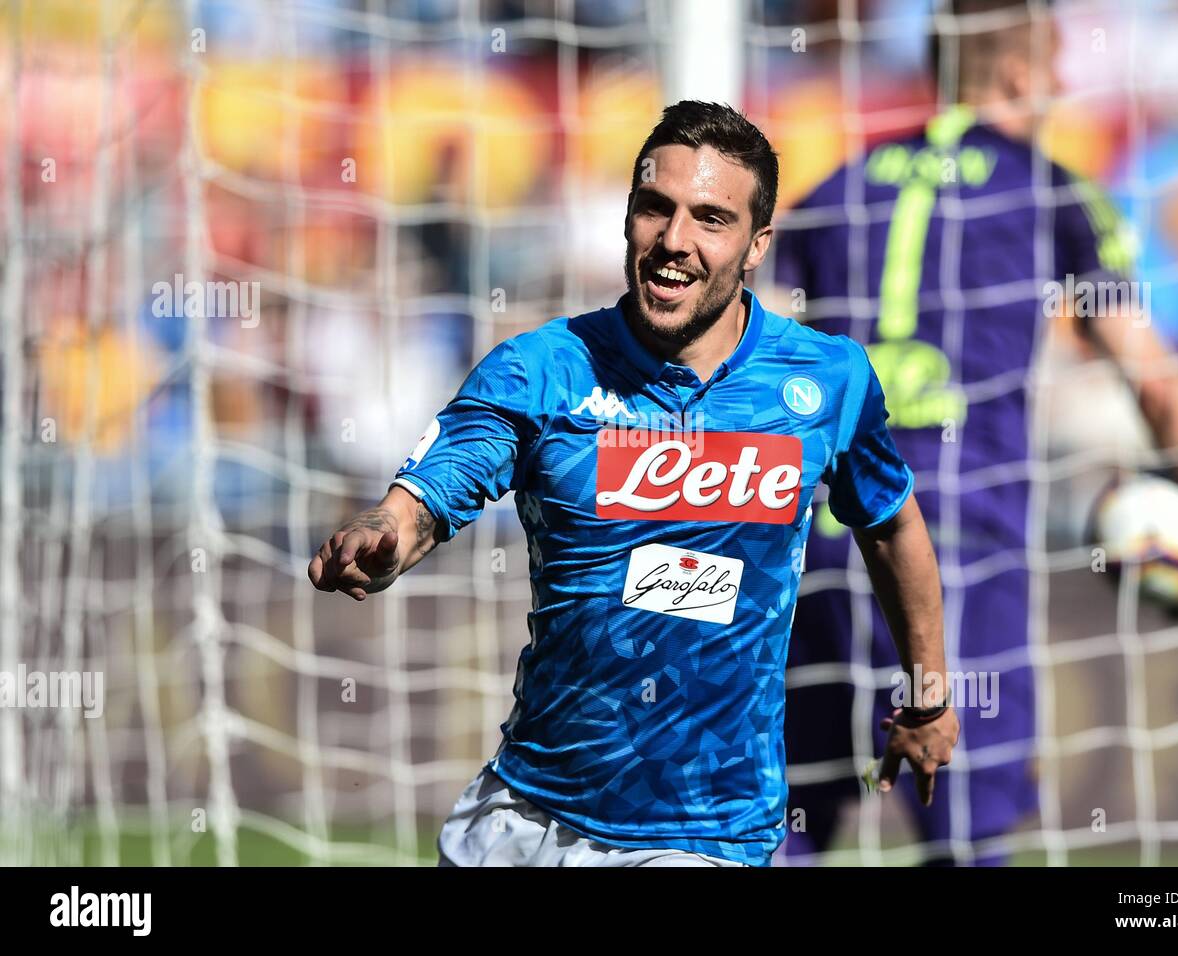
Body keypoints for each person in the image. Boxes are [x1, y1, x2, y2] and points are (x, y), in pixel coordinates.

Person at [308, 100, 958, 867]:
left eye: (711, 219)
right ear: (627, 217)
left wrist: (928, 693)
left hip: (705, 833)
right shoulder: (542, 369)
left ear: (757, 246)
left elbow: (890, 524)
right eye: (656, 208)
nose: (674, 242)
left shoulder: (827, 380)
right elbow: (438, 484)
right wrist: (387, 529)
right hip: (525, 814)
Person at [774, 0, 1178, 865]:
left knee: (784, 831)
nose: (1061, 90)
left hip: (820, 548)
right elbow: (1151, 381)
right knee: (968, 841)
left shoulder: (835, 191)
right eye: (1054, 74)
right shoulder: (1052, 190)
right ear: (1017, 75)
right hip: (960, 551)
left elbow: (754, 356)